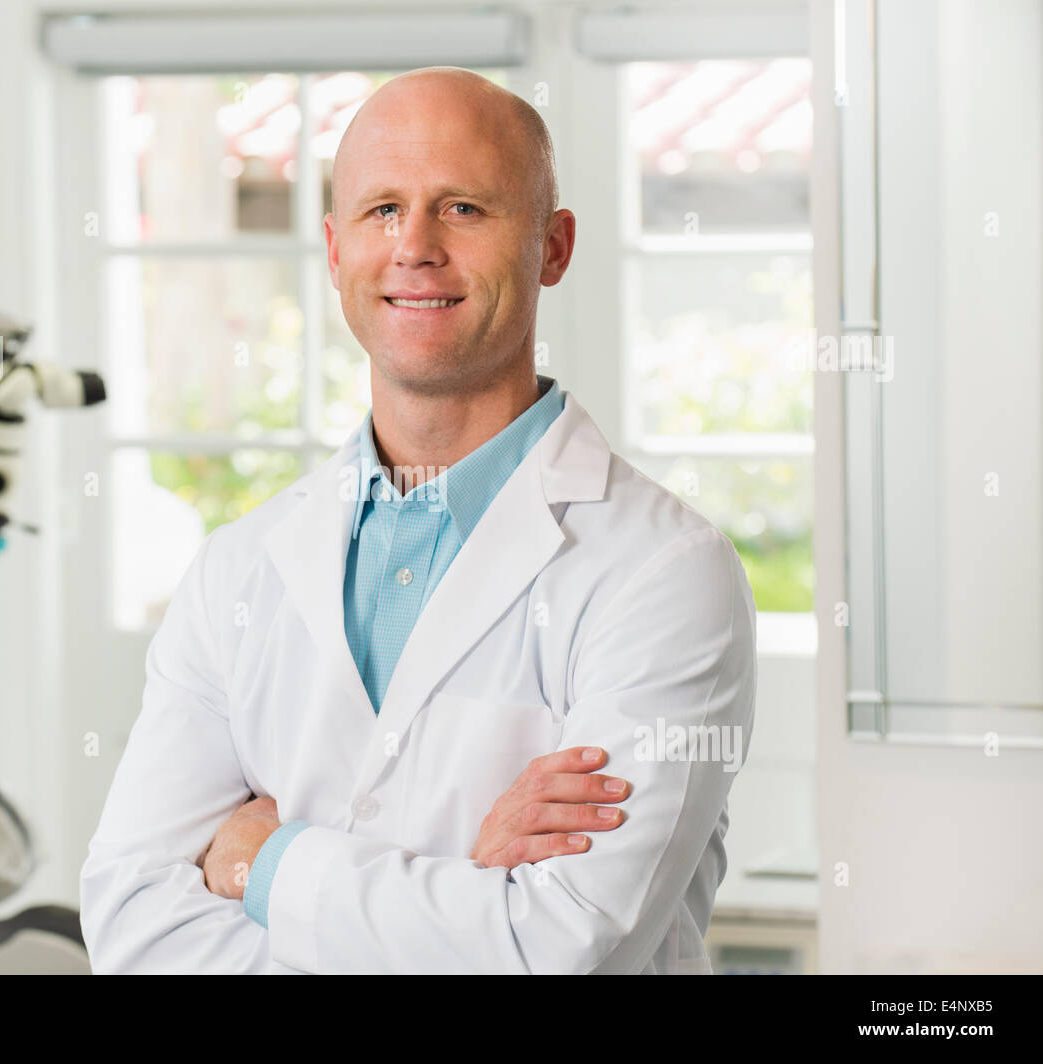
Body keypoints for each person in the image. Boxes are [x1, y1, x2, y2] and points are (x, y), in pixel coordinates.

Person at [80, 66, 757, 974]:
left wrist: (264, 861)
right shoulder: (238, 572)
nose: (416, 247)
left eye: (466, 209)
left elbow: (559, 948)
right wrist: (465, 884)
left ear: (552, 248)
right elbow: (131, 922)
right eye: (381, 210)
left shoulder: (665, 573)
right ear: (332, 247)